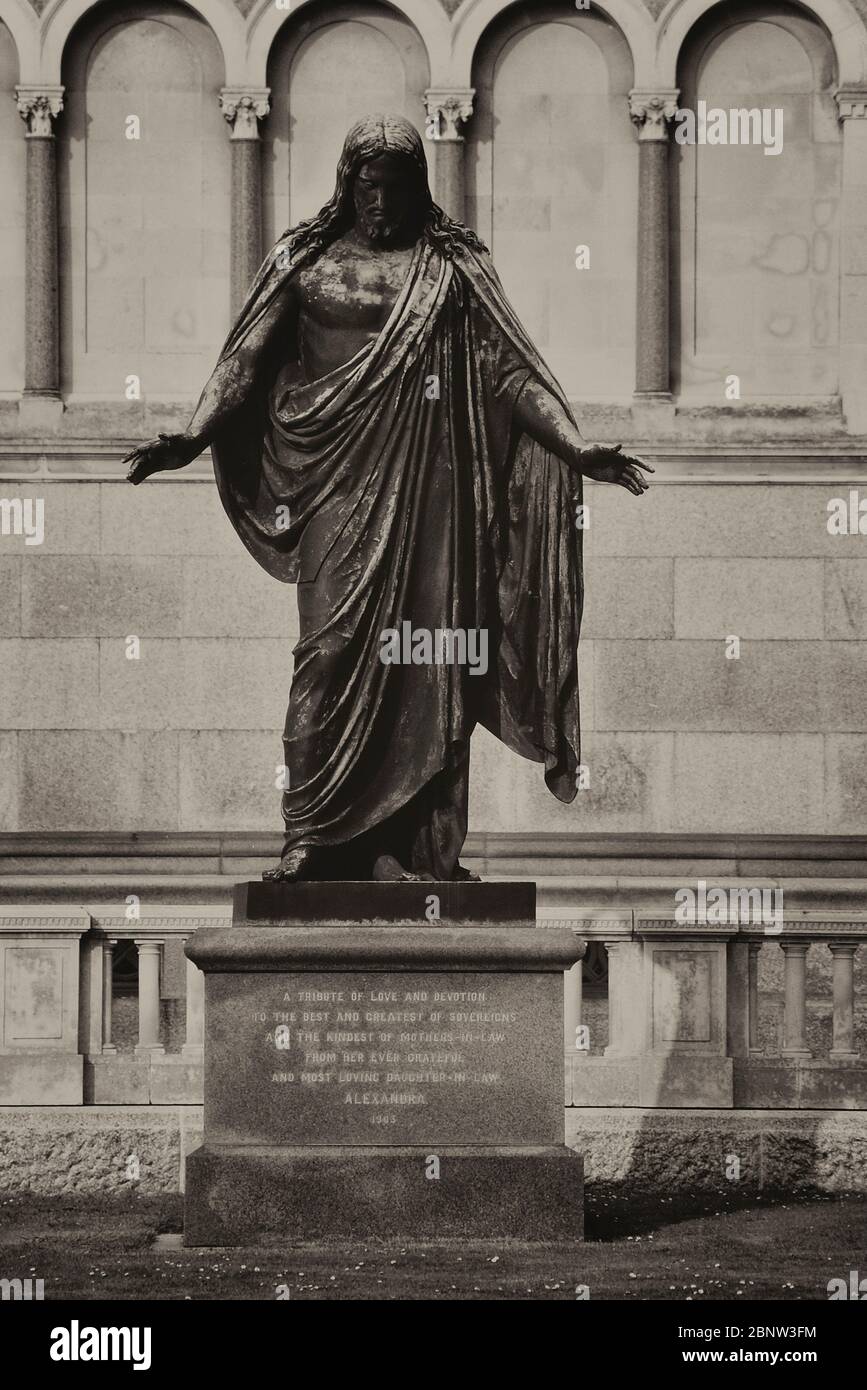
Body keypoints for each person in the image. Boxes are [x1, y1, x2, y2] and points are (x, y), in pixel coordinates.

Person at [125, 114, 652, 883]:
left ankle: (420, 849)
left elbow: (508, 371)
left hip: (435, 496)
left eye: (397, 188)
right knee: (328, 650)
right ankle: (311, 832)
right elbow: (244, 359)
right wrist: (193, 432)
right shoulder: (303, 261)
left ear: (418, 187)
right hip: (337, 487)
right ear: (348, 184)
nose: (382, 205)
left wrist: (574, 445)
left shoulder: (452, 268)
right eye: (370, 187)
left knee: (433, 661)